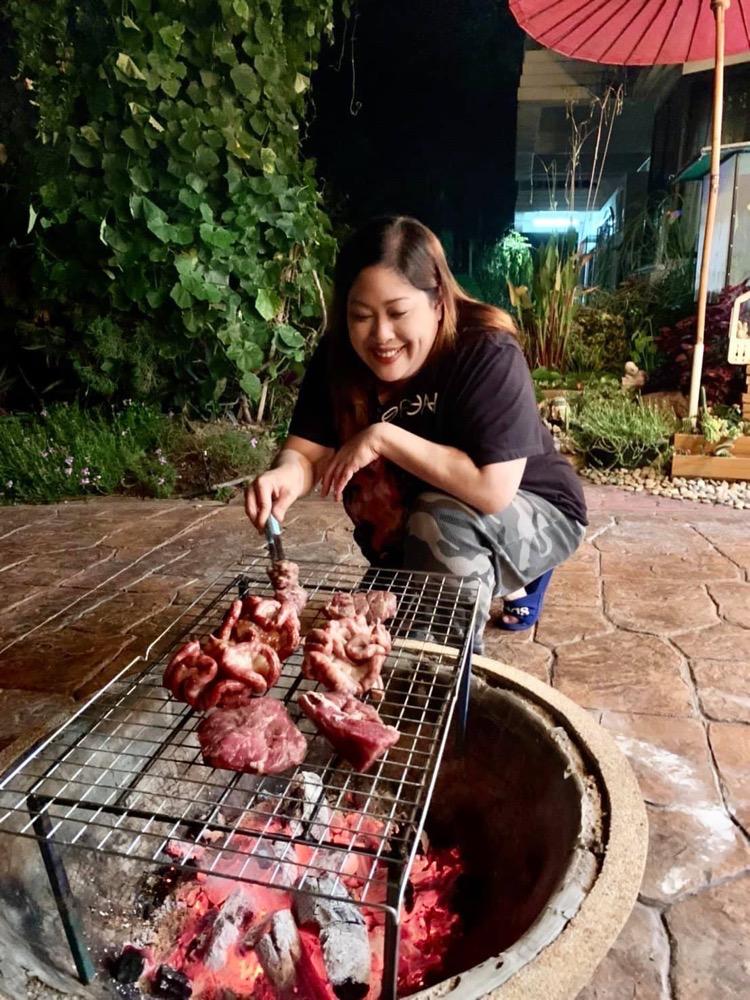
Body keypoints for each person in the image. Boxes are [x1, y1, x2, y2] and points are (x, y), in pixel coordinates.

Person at [245, 216, 587, 649]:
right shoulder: (337, 357)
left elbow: (492, 489)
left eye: (398, 313)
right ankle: (492, 570)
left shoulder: (484, 350)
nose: (381, 335)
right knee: (375, 623)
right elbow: (305, 452)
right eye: (361, 317)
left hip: (536, 505)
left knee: (439, 540)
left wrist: (382, 436)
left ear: (438, 300)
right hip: (418, 522)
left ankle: (448, 681)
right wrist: (284, 475)